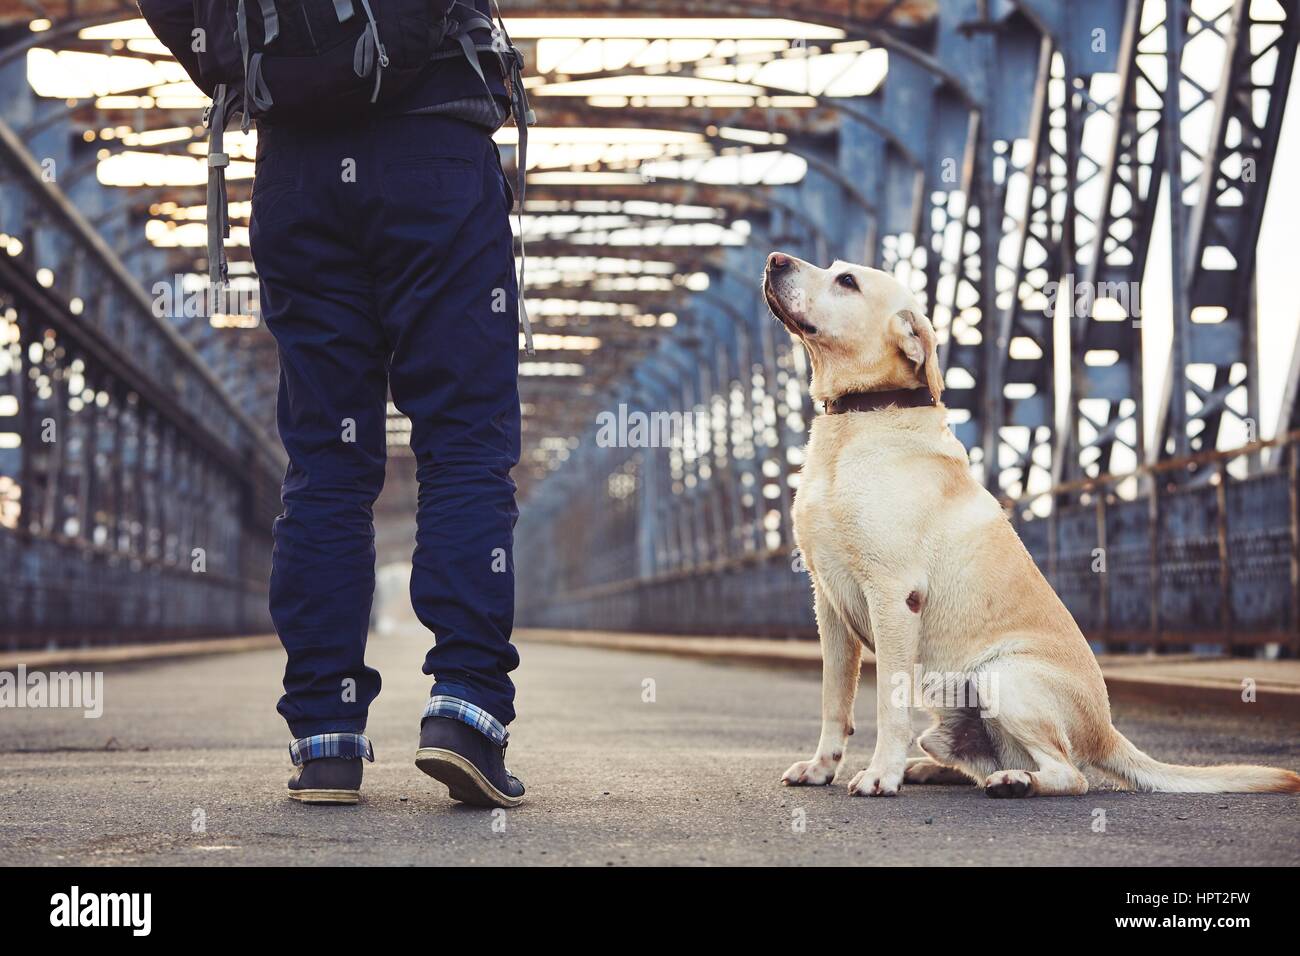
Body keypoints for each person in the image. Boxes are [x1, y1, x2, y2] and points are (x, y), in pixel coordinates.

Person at [139, 0, 527, 808]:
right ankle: (466, 712)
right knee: (462, 444)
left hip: (298, 171)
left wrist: (237, 60)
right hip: (437, 148)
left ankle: (326, 742)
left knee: (325, 463)